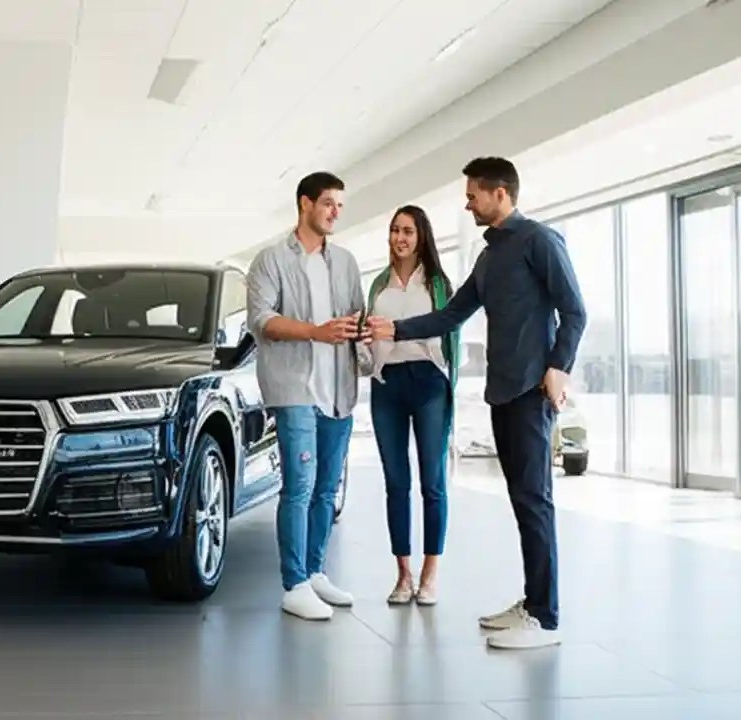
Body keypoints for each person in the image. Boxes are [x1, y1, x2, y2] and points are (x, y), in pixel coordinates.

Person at [367, 157, 586, 649]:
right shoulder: (490, 256)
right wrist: (396, 328)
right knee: (521, 502)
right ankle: (532, 602)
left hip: (532, 391)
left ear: (500, 195)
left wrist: (559, 366)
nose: (467, 203)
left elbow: (574, 310)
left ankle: (545, 617)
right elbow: (452, 314)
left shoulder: (540, 241)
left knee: (535, 502)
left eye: (473, 195)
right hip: (502, 392)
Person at [245, 171, 369, 621]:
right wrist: (315, 332)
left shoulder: (347, 263)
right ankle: (293, 582)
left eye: (340, 204)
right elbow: (262, 321)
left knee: (325, 488)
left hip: (339, 388)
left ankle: (315, 572)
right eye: (329, 203)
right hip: (295, 386)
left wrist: (365, 333)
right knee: (298, 487)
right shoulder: (271, 260)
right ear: (305, 204)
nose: (336, 212)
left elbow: (357, 319)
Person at [363, 205, 458, 607]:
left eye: (408, 231)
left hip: (429, 383)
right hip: (387, 384)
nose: (399, 238)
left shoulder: (437, 284)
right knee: (395, 481)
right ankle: (403, 574)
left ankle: (429, 574)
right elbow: (369, 339)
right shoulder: (378, 287)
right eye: (394, 230)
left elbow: (449, 331)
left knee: (432, 482)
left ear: (422, 237)